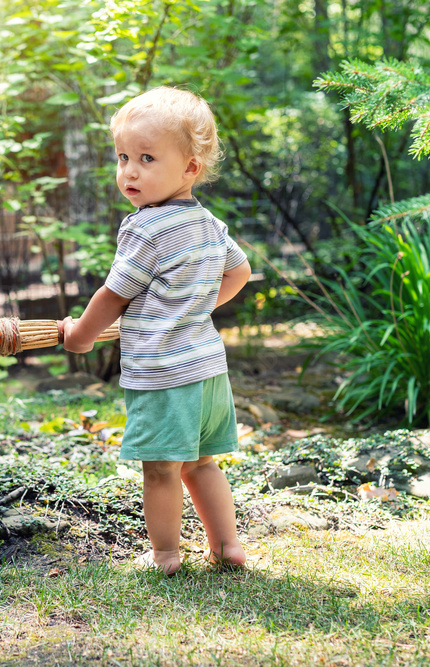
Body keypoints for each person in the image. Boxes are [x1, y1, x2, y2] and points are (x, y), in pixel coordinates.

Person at [60, 86, 252, 576]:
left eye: (146, 158)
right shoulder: (209, 224)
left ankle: (166, 556)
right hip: (208, 372)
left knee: (161, 469)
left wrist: (81, 334)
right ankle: (227, 546)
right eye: (123, 157)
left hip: (165, 375)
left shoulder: (145, 229)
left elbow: (114, 294)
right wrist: (191, 307)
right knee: (203, 464)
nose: (129, 171)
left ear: (191, 167)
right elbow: (240, 272)